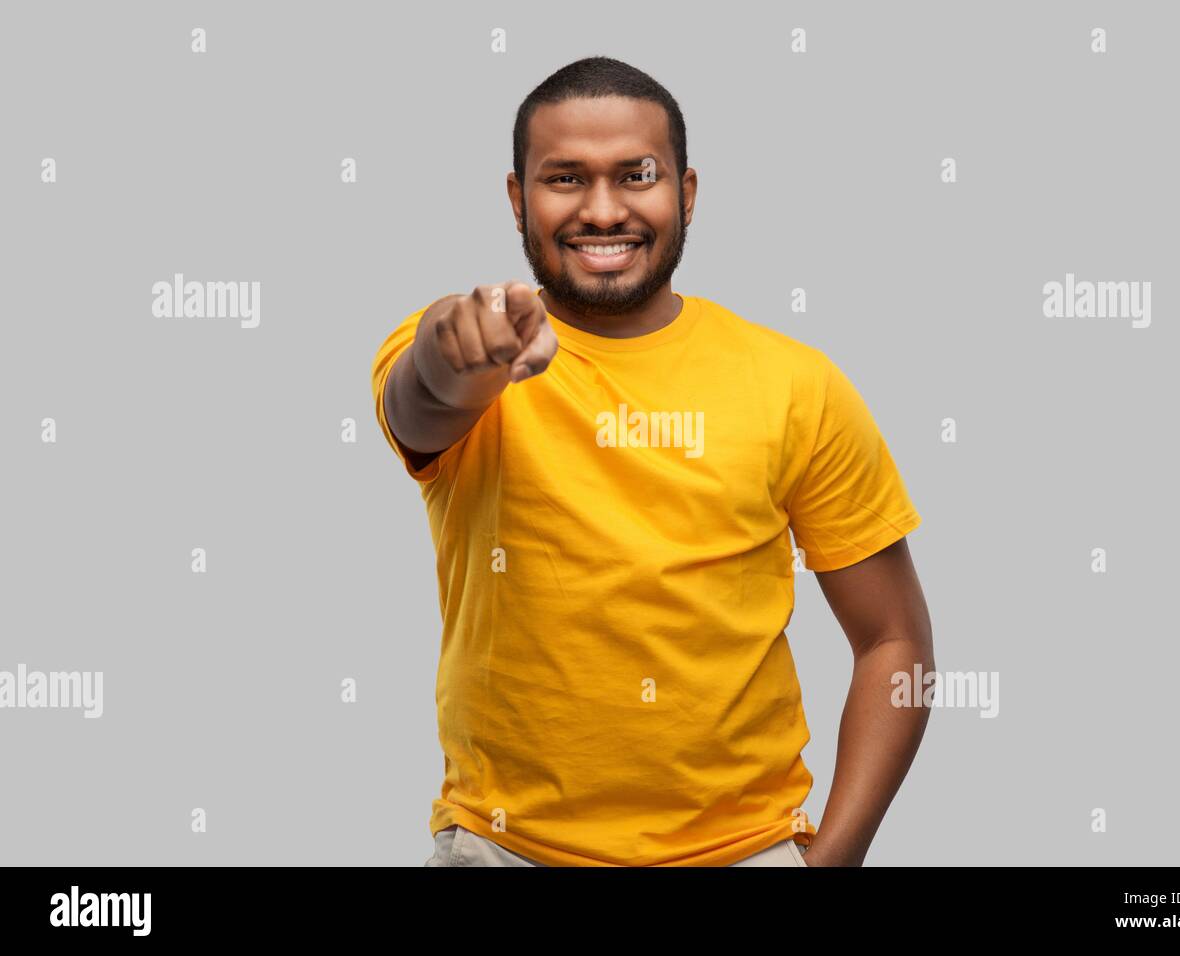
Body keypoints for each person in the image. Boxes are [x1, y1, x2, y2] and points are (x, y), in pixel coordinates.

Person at [371, 56, 933, 867]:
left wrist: (834, 859)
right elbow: (423, 398)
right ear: (516, 198)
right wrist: (457, 348)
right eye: (564, 178)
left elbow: (893, 641)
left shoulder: (796, 383)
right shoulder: (473, 350)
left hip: (746, 851)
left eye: (636, 176)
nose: (603, 210)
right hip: (500, 849)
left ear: (688, 192)